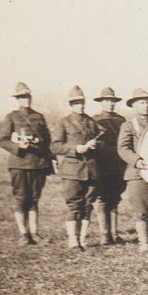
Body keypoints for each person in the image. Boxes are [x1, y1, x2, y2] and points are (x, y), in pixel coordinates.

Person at [0, 82, 53, 245]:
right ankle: (24, 234)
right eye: (22, 97)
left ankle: (35, 233)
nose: (25, 100)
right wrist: (18, 146)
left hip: (38, 163)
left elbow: (47, 140)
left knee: (35, 199)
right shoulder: (11, 117)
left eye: (27, 96)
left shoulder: (39, 117)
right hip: (19, 163)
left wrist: (48, 157)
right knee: (21, 198)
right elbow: (3, 140)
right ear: (17, 99)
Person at [50, 85, 102, 250]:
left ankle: (83, 238)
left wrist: (96, 145)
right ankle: (73, 239)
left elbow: (102, 141)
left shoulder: (91, 122)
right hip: (72, 170)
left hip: (91, 170)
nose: (80, 105)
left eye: (82, 102)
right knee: (74, 204)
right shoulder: (63, 122)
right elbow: (55, 147)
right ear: (71, 105)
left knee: (88, 204)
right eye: (76, 103)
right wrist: (75, 149)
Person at [116, 88, 148, 256]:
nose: (146, 106)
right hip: (137, 174)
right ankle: (144, 244)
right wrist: (137, 161)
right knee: (142, 210)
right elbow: (123, 148)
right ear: (134, 105)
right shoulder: (128, 126)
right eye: (142, 103)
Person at [90, 86, 127, 245]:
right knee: (103, 199)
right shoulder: (95, 120)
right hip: (102, 164)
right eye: (106, 101)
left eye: (112, 101)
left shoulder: (121, 120)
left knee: (115, 198)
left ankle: (114, 232)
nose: (110, 104)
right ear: (101, 102)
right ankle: (104, 234)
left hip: (118, 163)